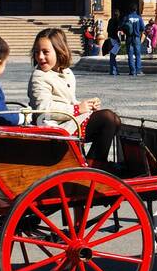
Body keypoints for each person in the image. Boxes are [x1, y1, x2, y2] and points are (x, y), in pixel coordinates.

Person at [28, 28, 122, 167]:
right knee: (108, 119)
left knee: (113, 121)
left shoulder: (67, 73)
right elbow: (43, 110)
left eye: (45, 52)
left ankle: (93, 162)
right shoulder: (39, 76)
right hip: (53, 128)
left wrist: (87, 106)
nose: (40, 57)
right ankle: (95, 164)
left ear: (59, 51)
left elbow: (68, 101)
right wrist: (77, 109)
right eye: (37, 52)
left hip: (68, 121)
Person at [123, 4, 146, 76]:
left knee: (130, 55)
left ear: (130, 9)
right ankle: (138, 70)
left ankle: (132, 71)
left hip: (129, 38)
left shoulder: (127, 17)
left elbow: (122, 27)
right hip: (136, 38)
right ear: (136, 9)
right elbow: (142, 28)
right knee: (138, 55)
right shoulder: (139, 18)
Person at [105, 8, 122, 76]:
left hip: (110, 39)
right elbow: (120, 29)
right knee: (113, 56)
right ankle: (114, 71)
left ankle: (113, 70)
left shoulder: (110, 20)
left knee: (112, 56)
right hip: (115, 39)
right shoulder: (118, 21)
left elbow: (107, 30)